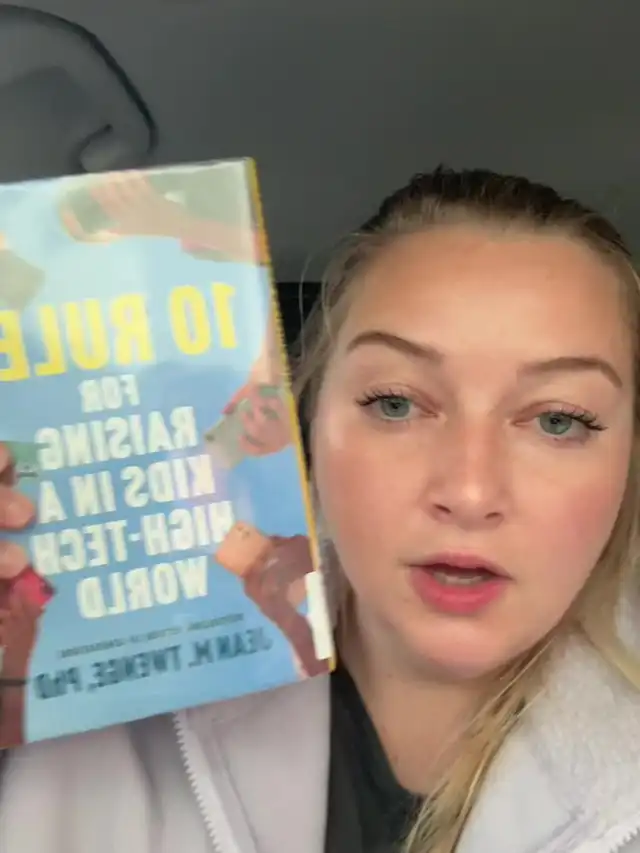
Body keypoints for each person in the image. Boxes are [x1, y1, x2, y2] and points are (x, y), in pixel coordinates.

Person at [0, 165, 640, 853]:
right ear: (310, 416)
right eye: (396, 403)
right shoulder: (90, 695)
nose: (470, 491)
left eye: (558, 420)